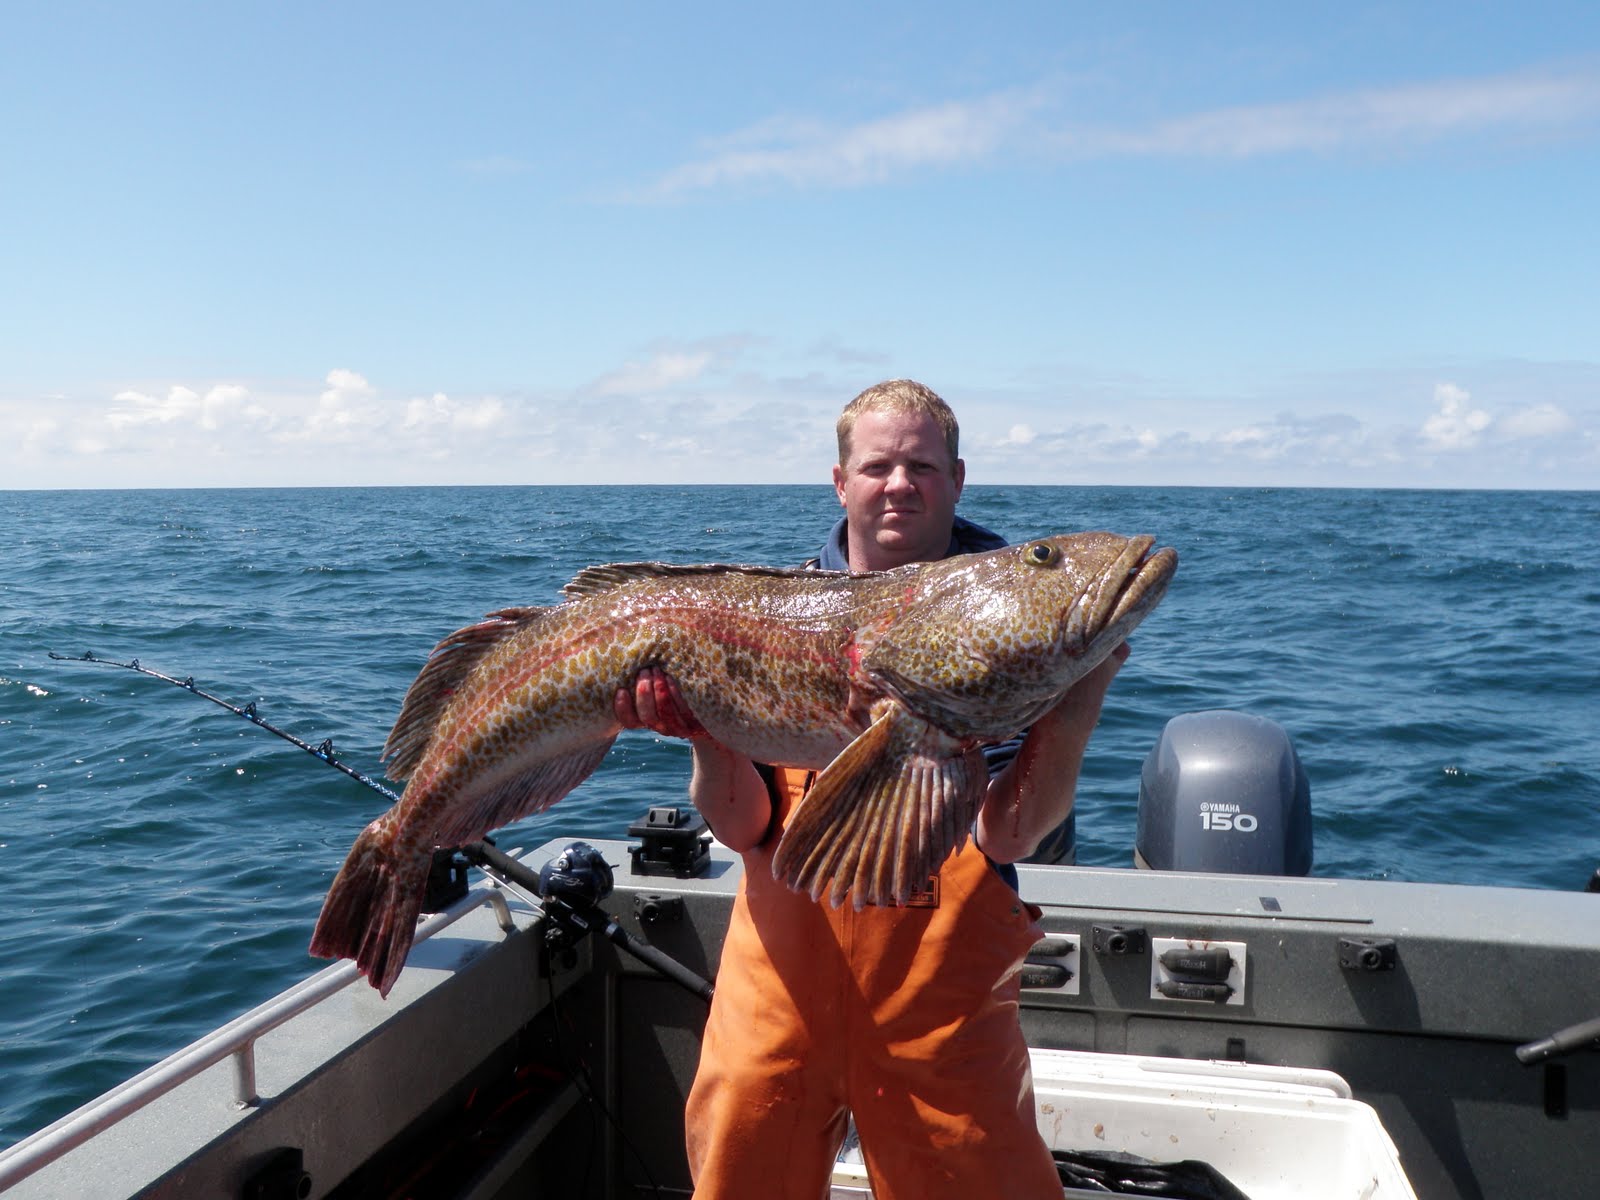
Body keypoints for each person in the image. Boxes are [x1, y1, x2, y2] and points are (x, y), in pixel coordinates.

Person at [616, 379, 1128, 1199]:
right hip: (776, 994)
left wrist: (1077, 703)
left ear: (958, 478)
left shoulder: (1002, 619)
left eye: (922, 465)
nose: (900, 484)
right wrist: (706, 731)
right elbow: (745, 827)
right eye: (879, 465)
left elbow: (1006, 836)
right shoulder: (763, 615)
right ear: (840, 480)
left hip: (942, 1001)